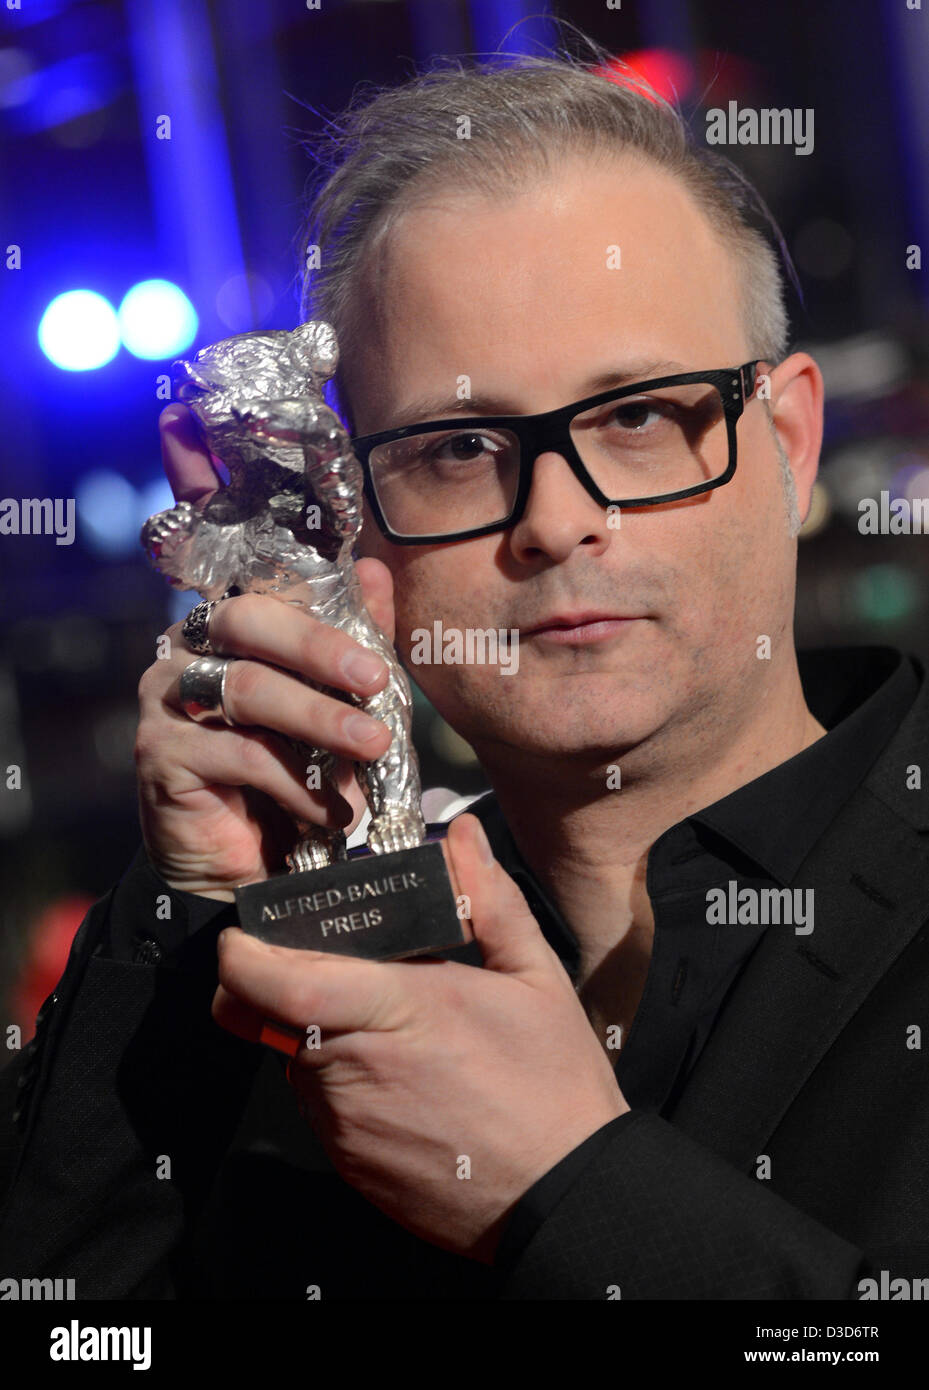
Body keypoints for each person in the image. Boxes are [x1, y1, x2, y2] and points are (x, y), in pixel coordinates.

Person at [1, 50, 927, 1301]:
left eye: (637, 417)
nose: (553, 520)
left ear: (785, 443)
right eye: (459, 446)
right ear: (353, 522)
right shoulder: (297, 977)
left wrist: (569, 1189)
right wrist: (182, 913)